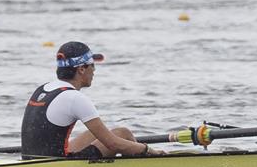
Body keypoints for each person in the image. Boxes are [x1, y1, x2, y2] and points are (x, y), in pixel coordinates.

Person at [20, 42, 156, 159]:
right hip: (56, 166)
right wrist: (148, 149)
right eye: (92, 65)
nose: (94, 70)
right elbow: (113, 144)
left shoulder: (42, 89)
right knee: (122, 134)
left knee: (95, 134)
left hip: (33, 158)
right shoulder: (74, 98)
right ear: (81, 69)